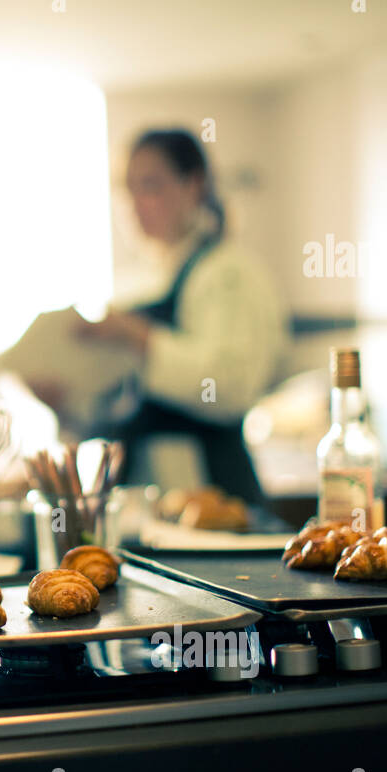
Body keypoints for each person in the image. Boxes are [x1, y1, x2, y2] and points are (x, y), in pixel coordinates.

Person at [78, 128, 287, 503]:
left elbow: (230, 386)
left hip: (213, 493)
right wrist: (68, 399)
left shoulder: (228, 272)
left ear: (194, 185)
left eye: (151, 186)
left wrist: (142, 339)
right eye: (127, 189)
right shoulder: (141, 280)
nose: (136, 203)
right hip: (142, 492)